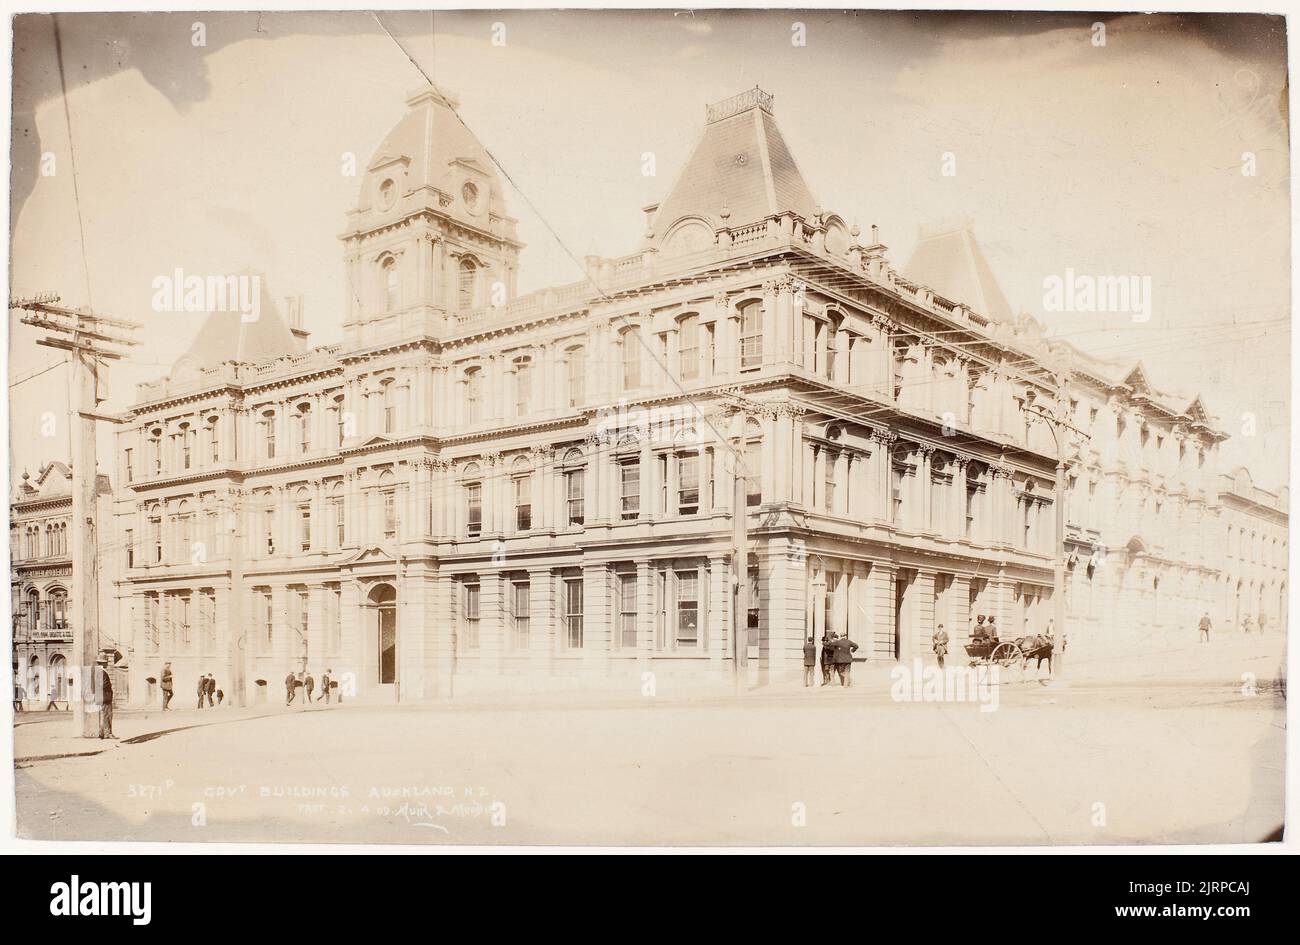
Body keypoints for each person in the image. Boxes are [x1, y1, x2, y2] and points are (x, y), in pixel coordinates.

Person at [97, 661, 117, 739]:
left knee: (103, 715)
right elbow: (104, 684)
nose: (107, 663)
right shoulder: (102, 672)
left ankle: (101, 734)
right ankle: (108, 733)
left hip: (101, 697)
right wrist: (109, 686)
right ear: (103, 663)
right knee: (107, 715)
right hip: (105, 697)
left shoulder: (96, 671)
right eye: (106, 662)